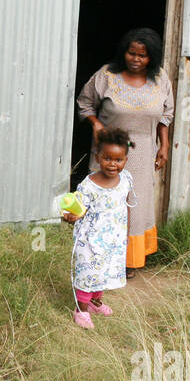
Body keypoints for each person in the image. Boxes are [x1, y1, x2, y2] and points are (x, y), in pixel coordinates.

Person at [76, 27, 173, 277]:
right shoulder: (106, 75)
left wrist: (164, 145)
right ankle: (99, 257)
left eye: (143, 55)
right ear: (124, 52)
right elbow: (85, 103)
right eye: (131, 53)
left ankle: (129, 260)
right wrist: (97, 124)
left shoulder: (160, 78)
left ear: (152, 57)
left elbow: (166, 115)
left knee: (134, 205)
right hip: (109, 151)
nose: (136, 59)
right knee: (106, 204)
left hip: (142, 153)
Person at [61, 126, 135, 329]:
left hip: (114, 239)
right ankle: (81, 310)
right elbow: (79, 210)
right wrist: (72, 216)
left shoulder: (126, 180)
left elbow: (126, 206)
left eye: (118, 160)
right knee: (88, 273)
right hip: (91, 240)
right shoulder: (88, 185)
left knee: (105, 271)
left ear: (125, 160)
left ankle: (95, 303)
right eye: (107, 158)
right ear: (98, 157)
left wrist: (126, 234)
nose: (113, 164)